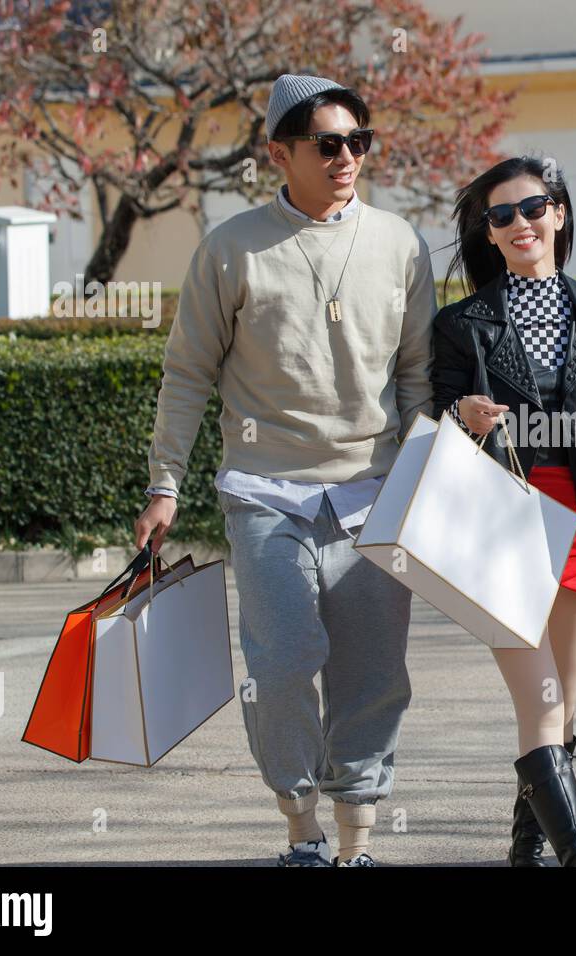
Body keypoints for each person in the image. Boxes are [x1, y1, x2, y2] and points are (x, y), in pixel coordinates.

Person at [135, 73, 436, 867]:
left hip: (374, 491)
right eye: (327, 143)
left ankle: (356, 841)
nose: (347, 157)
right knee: (283, 662)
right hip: (265, 492)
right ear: (279, 153)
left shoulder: (401, 244)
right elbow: (187, 373)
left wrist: (421, 476)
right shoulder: (230, 248)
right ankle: (300, 826)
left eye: (359, 141)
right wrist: (165, 483)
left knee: (373, 674)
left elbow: (417, 375)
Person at [430, 157, 576, 867]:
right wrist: (461, 414)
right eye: (501, 215)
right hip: (501, 519)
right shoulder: (462, 324)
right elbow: (431, 414)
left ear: (559, 213)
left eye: (534, 207)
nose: (520, 223)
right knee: (543, 701)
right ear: (488, 232)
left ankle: (527, 844)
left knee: (563, 705)